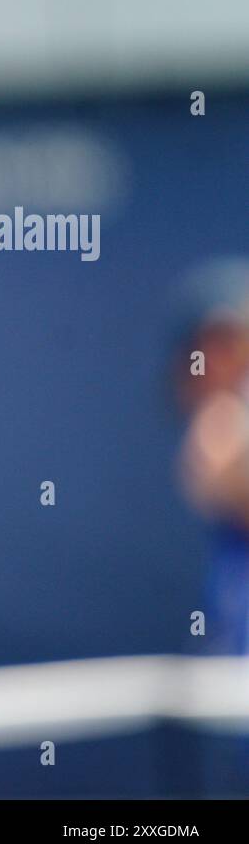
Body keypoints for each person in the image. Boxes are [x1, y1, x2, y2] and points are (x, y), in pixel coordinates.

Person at [172, 259, 249, 657]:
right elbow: (214, 472)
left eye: (233, 344)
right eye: (210, 346)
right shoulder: (217, 427)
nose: (221, 360)